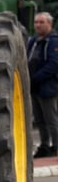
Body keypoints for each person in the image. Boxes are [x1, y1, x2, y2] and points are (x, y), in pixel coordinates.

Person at [28, 12, 58, 158]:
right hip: (34, 88)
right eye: (36, 22)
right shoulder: (32, 41)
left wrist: (35, 78)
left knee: (51, 119)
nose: (38, 25)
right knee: (39, 120)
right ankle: (45, 145)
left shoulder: (53, 41)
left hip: (47, 88)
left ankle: (56, 146)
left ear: (49, 24)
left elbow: (53, 64)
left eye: (41, 22)